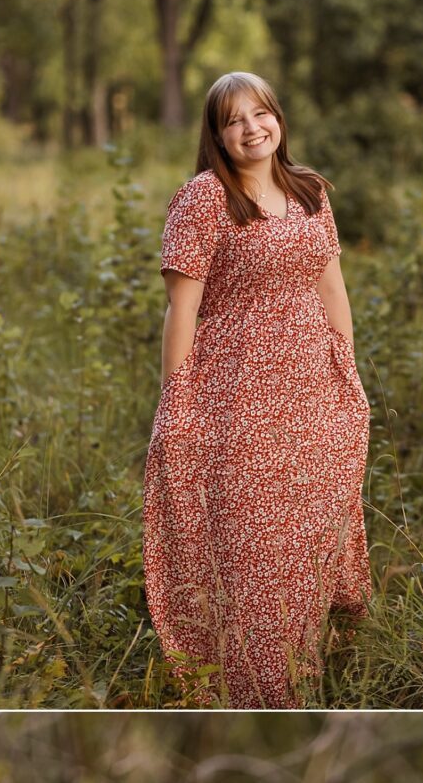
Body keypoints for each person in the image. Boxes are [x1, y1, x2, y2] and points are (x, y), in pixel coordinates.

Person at [142, 72, 371, 708]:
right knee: (252, 539)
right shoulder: (204, 198)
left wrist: (345, 367)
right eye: (234, 120)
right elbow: (181, 311)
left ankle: (305, 663)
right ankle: (250, 682)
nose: (252, 129)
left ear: (279, 119)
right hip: (235, 392)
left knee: (306, 525)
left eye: (261, 114)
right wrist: (176, 402)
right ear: (216, 134)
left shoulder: (310, 192)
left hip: (313, 389)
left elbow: (331, 288)